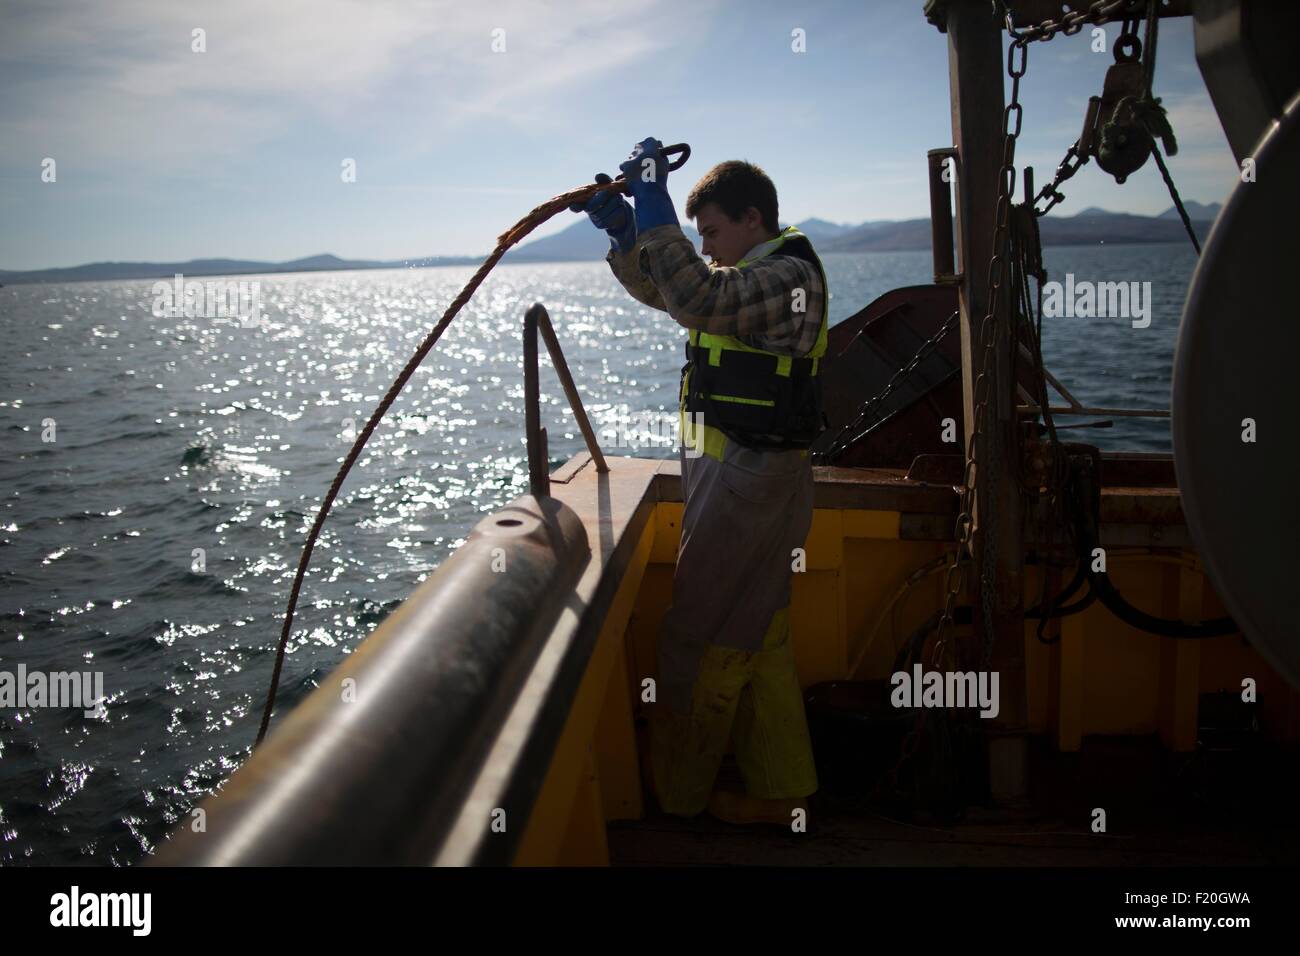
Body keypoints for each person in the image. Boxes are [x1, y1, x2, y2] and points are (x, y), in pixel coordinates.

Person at [573, 137, 830, 826]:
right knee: (761, 637)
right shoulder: (753, 278)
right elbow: (671, 292)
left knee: (699, 638)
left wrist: (654, 206)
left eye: (713, 232)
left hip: (749, 485)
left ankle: (681, 799)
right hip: (741, 480)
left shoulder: (787, 281)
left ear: (754, 219)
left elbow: (694, 293)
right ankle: (786, 795)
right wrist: (631, 233)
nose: (708, 247)